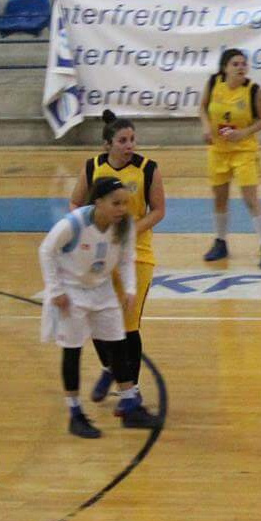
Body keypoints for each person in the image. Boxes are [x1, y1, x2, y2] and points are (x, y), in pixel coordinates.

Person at [38, 176, 160, 438]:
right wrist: (56, 290)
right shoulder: (74, 224)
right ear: (98, 202)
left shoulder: (124, 225)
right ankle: (75, 414)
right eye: (116, 203)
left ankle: (129, 405)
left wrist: (129, 289)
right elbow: (46, 251)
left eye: (125, 203)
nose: (122, 209)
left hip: (101, 288)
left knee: (118, 345)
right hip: (71, 291)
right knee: (72, 351)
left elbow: (126, 260)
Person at [69, 110, 165, 405]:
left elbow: (158, 211)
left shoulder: (147, 169)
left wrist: (131, 231)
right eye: (123, 140)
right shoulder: (93, 167)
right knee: (97, 319)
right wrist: (87, 228)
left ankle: (130, 392)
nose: (129, 145)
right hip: (99, 254)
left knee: (129, 324)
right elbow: (75, 202)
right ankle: (110, 368)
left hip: (137, 255)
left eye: (132, 139)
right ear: (107, 144)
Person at [199, 47, 261, 269]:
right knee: (220, 198)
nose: (240, 67)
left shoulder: (253, 90)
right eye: (235, 64)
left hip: (244, 150)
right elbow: (202, 108)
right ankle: (220, 242)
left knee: (250, 198)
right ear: (225, 68)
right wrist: (206, 127)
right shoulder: (213, 83)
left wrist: (243, 133)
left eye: (243, 64)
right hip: (218, 150)